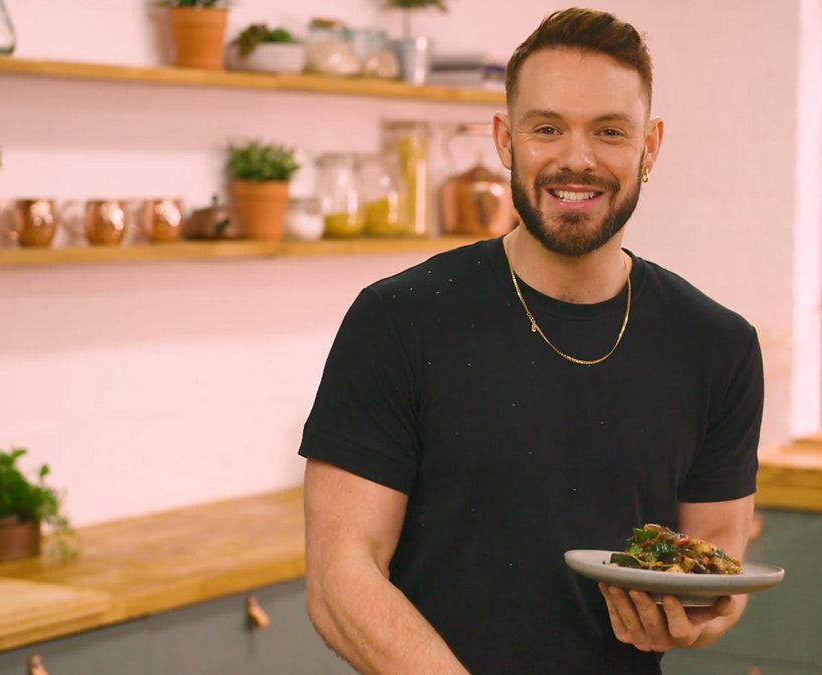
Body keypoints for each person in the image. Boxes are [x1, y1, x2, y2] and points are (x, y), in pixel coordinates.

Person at [299, 7, 764, 674]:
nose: (576, 159)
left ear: (650, 147)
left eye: (609, 131)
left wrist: (703, 614)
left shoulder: (719, 345)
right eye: (548, 128)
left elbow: (717, 551)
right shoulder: (397, 320)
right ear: (506, 140)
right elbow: (341, 578)